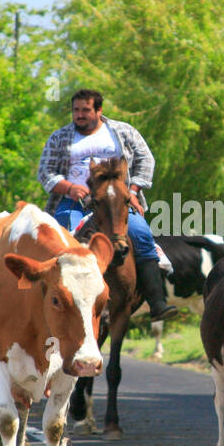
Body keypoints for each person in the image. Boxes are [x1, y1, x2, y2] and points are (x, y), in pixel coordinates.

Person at [37, 89, 178, 320]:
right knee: (62, 240)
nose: (79, 115)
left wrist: (131, 191)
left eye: (86, 110)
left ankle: (157, 302)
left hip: (115, 201)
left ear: (99, 111)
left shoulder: (123, 131)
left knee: (141, 234)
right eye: (76, 110)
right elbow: (45, 172)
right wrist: (70, 187)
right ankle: (52, 302)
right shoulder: (59, 137)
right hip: (74, 201)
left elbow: (146, 159)